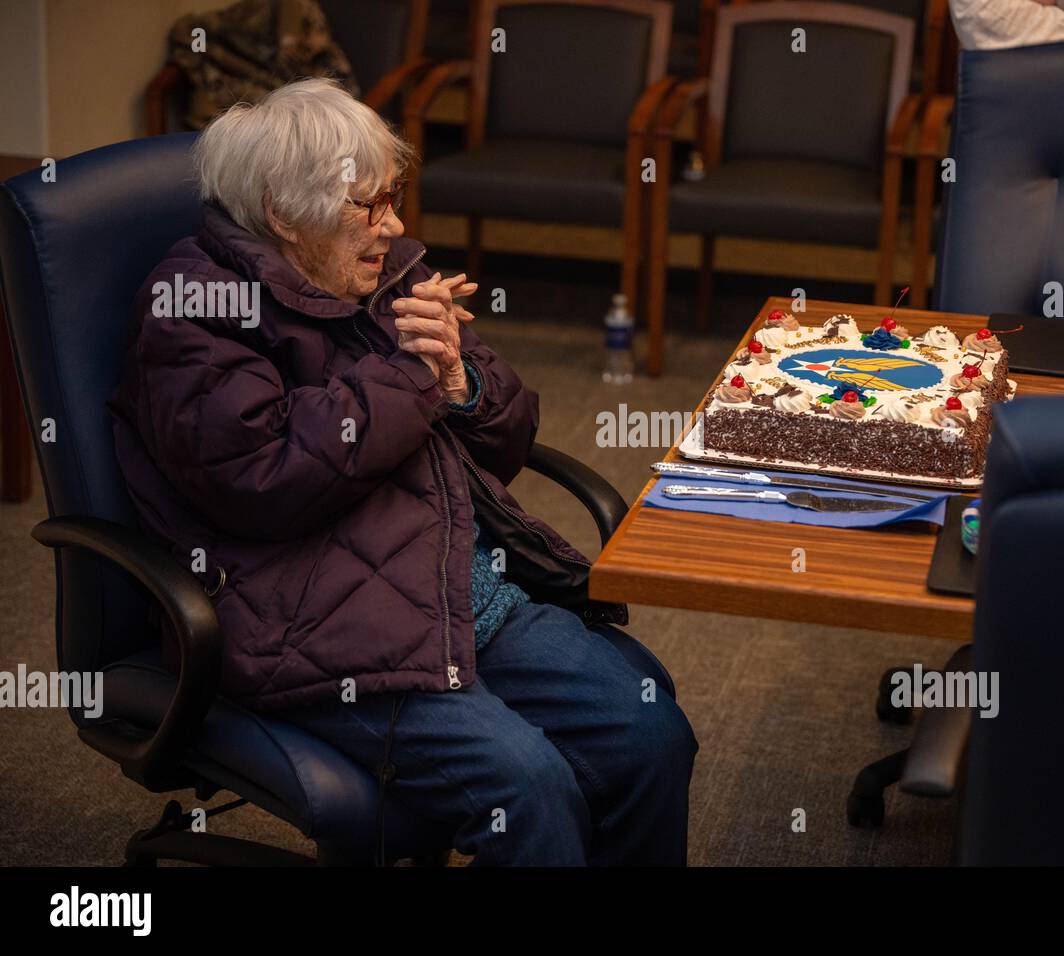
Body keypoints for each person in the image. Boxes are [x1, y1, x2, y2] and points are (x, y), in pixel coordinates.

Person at [107, 77, 698, 866]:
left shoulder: (388, 270)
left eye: (395, 197)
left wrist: (462, 385)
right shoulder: (191, 312)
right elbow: (267, 477)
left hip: (462, 586)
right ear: (284, 212)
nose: (396, 223)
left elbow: (510, 440)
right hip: (317, 629)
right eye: (369, 205)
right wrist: (411, 374)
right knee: (528, 789)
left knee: (650, 732)